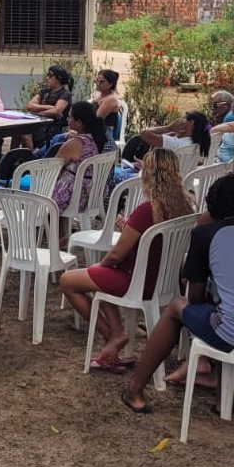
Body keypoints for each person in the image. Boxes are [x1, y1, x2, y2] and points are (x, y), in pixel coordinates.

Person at [120, 175, 234, 413]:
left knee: (176, 308)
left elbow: (196, 297)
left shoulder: (206, 234)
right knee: (227, 306)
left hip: (233, 335)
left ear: (212, 206)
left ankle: (135, 389)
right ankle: (224, 401)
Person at [59, 149, 195, 373]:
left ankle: (112, 335)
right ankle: (116, 333)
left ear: (149, 174)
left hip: (136, 280)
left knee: (69, 281)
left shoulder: (147, 210)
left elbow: (117, 255)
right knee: (100, 278)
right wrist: (128, 228)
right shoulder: (186, 206)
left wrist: (102, 265)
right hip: (164, 280)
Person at [108, 111, 211, 192]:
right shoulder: (197, 145)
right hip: (174, 184)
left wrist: (168, 128)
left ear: (191, 123)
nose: (178, 121)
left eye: (182, 119)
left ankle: (113, 213)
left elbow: (144, 133)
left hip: (154, 184)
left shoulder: (175, 143)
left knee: (109, 178)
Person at [51, 101, 104, 216]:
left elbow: (52, 168)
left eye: (70, 118)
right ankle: (61, 231)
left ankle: (50, 230)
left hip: (73, 197)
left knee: (41, 188)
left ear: (79, 123)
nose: (67, 120)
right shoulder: (95, 139)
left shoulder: (75, 143)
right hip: (90, 195)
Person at [23, 65, 73, 150]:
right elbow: (29, 106)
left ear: (58, 78)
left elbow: (56, 111)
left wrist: (37, 112)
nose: (47, 78)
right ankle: (18, 159)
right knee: (20, 133)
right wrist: (48, 107)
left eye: (50, 75)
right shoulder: (44, 91)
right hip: (39, 125)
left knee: (26, 135)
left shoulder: (65, 94)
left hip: (53, 128)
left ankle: (30, 160)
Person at [93, 69, 121, 151]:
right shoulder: (98, 97)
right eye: (97, 81)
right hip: (94, 132)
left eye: (102, 82)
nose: (98, 84)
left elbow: (96, 118)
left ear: (111, 84)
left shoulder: (111, 99)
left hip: (103, 136)